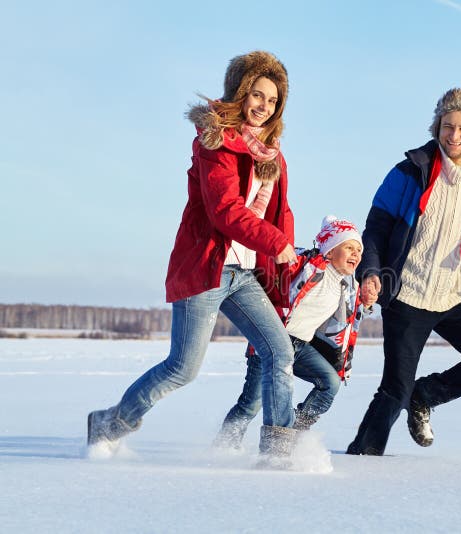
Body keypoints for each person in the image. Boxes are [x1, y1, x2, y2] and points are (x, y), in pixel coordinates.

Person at [87, 51, 300, 466]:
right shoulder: (215, 142)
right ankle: (109, 424)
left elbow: (281, 212)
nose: (264, 106)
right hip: (207, 267)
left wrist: (283, 259)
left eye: (272, 100)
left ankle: (278, 454)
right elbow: (224, 210)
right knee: (182, 368)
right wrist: (275, 242)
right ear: (239, 92)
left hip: (244, 273)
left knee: (280, 352)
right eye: (256, 95)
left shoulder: (271, 154)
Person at [346, 88, 461, 456]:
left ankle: (425, 395)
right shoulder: (410, 171)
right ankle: (363, 457)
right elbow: (376, 228)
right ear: (437, 126)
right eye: (448, 126)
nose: (455, 135)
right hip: (409, 294)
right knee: (393, 390)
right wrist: (371, 271)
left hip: (454, 296)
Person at [213, 216, 368, 449]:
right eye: (349, 247)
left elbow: (350, 319)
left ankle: (293, 431)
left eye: (359, 249)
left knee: (330, 382)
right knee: (251, 404)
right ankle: (224, 446)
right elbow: (272, 263)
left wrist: (367, 297)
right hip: (269, 341)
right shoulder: (305, 264)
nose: (356, 253)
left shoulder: (347, 285)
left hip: (300, 347)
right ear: (330, 249)